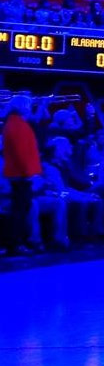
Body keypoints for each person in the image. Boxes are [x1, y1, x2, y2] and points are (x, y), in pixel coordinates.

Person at [3, 96, 42, 255]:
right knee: (20, 209)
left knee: (21, 208)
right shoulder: (17, 125)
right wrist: (29, 173)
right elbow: (21, 153)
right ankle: (15, 244)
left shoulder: (14, 123)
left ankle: (16, 243)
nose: (30, 107)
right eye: (28, 104)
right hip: (21, 174)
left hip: (19, 173)